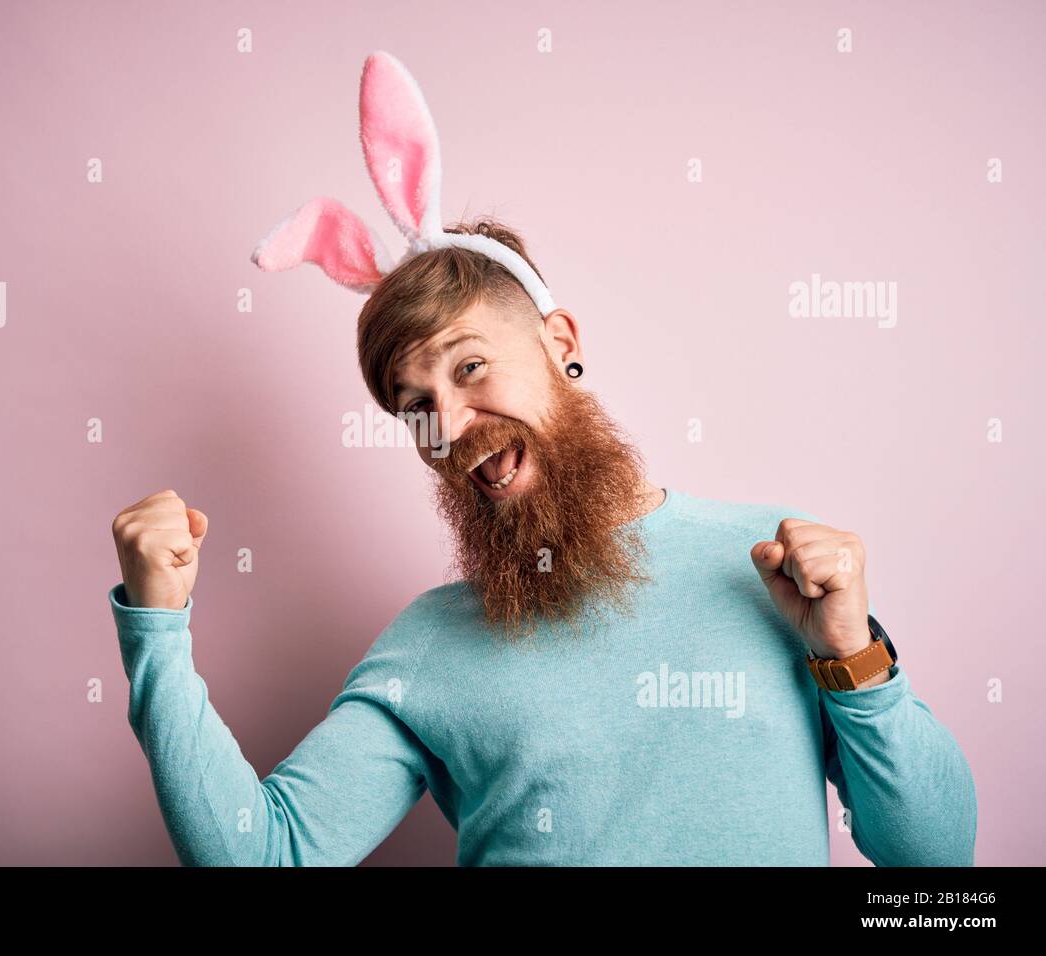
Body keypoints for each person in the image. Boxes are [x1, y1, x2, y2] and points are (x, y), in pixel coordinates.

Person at [107, 217, 977, 866]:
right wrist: (159, 631)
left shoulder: (774, 568)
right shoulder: (428, 646)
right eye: (415, 407)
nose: (447, 425)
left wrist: (855, 662)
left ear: (559, 341)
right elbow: (264, 854)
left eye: (470, 366)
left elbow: (935, 860)